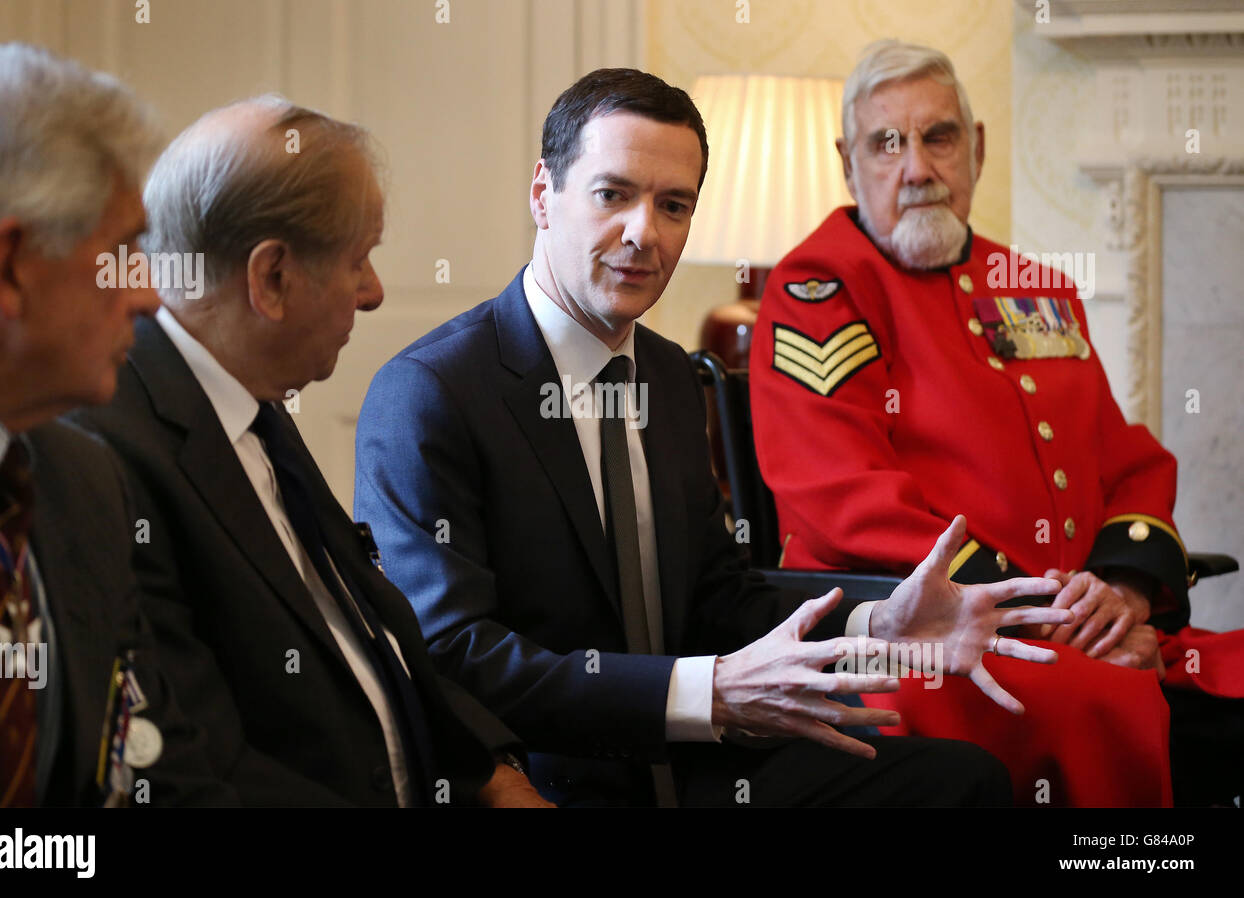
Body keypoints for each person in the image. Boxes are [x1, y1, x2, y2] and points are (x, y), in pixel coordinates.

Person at [354, 67, 1073, 807]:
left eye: (673, 205)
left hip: (700, 763)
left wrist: (877, 623)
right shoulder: (430, 393)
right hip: (551, 776)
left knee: (964, 781)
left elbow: (714, 596)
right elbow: (450, 654)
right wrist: (708, 691)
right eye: (613, 195)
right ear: (544, 193)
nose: (645, 233)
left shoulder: (668, 377)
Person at [751, 39, 1243, 806]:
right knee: (1108, 704)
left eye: (938, 137)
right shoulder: (821, 286)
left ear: (975, 151)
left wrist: (1123, 593)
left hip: (1081, 626)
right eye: (887, 143)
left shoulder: (1033, 288)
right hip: (928, 643)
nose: (916, 168)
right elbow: (847, 502)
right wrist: (1053, 620)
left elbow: (1128, 463)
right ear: (848, 161)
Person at [70, 96, 549, 807]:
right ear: (271, 278)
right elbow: (193, 761)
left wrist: (489, 775)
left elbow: (372, 630)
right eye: (359, 260)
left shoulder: (252, 397)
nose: (376, 292)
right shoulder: (110, 452)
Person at [0, 42, 234, 807]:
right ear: (9, 267)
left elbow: (147, 761)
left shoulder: (82, 480)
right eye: (121, 252)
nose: (150, 296)